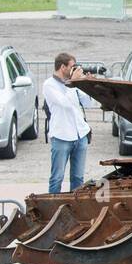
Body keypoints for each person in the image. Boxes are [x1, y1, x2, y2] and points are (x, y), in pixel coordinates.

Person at [43, 53, 99, 193]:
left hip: (80, 135)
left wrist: (85, 84)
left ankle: (76, 209)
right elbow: (65, 103)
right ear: (63, 67)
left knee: (78, 178)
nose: (75, 69)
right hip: (62, 136)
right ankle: (54, 209)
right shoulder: (49, 85)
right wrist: (72, 83)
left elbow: (88, 103)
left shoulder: (73, 84)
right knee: (57, 177)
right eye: (72, 67)